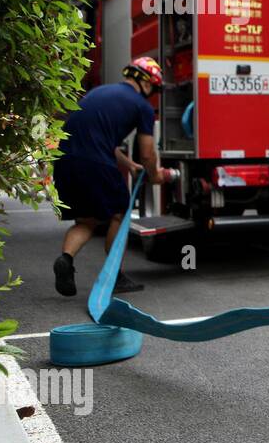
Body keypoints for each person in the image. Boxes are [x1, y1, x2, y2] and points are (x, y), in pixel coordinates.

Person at [52, 57, 176, 296]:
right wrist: (156, 175)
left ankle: (65, 259)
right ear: (148, 83)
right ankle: (115, 276)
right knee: (119, 213)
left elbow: (101, 141)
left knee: (86, 221)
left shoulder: (99, 93)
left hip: (64, 161)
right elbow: (148, 154)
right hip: (95, 164)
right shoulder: (142, 107)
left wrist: (128, 164)